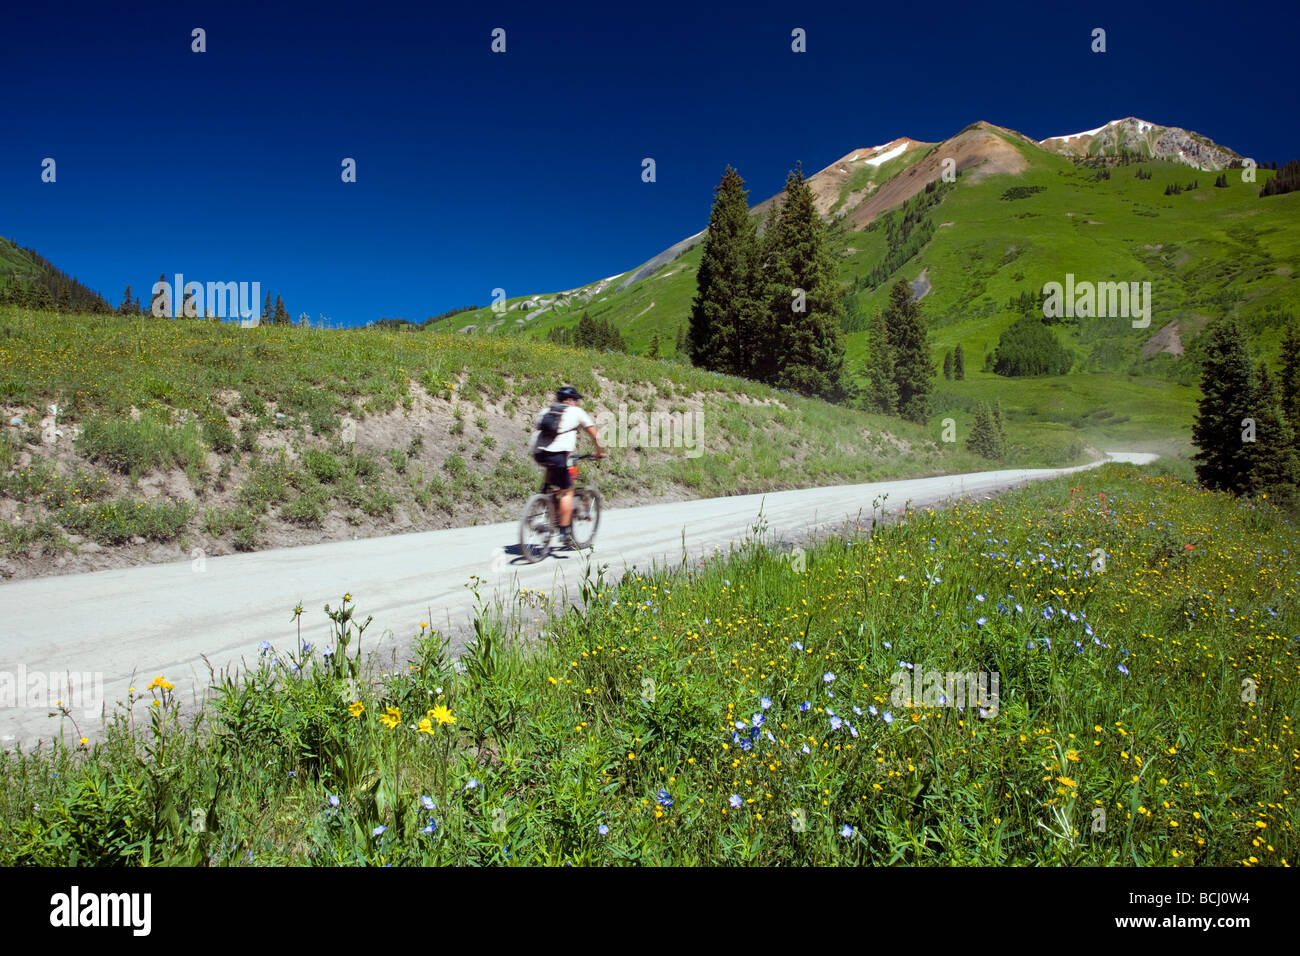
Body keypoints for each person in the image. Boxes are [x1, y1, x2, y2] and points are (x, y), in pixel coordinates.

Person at [530, 385, 605, 544]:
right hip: (558, 455)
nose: (577, 403)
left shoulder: (547, 410)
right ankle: (564, 532)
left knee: (551, 479)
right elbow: (595, 436)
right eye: (576, 400)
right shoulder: (576, 411)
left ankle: (543, 501)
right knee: (567, 491)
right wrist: (599, 452)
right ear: (571, 400)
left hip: (539, 453)